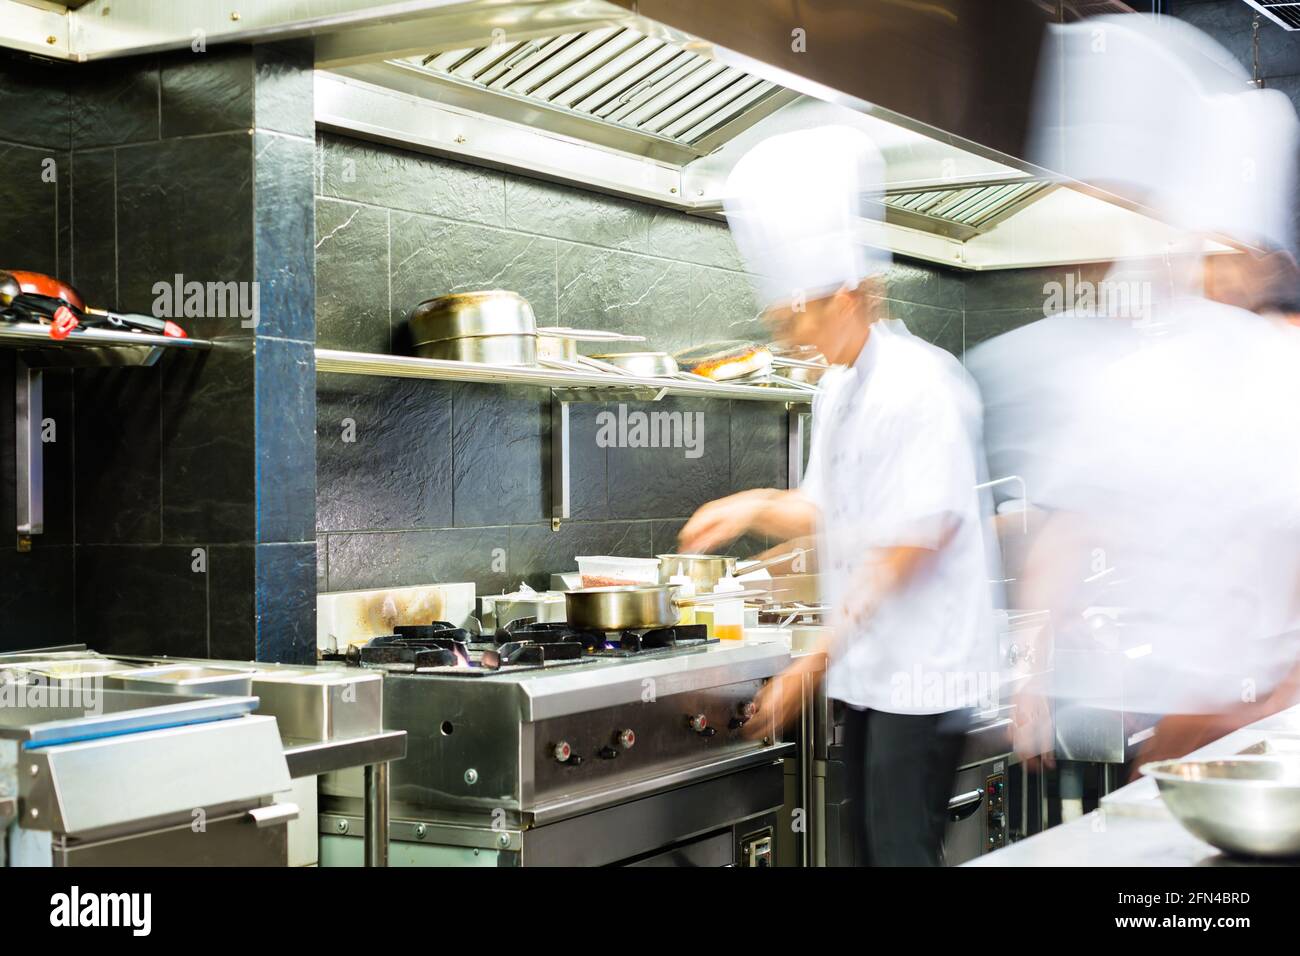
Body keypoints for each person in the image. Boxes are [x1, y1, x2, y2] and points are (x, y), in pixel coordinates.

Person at [678, 124, 999, 866]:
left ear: (854, 296)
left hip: (924, 683)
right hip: (872, 678)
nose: (793, 335)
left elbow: (906, 550)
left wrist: (807, 664)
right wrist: (754, 505)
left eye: (802, 315)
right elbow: (827, 510)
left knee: (899, 856)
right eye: (783, 320)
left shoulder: (923, 387)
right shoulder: (838, 389)